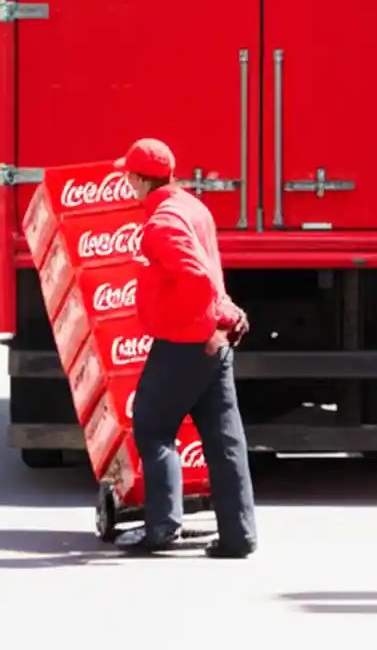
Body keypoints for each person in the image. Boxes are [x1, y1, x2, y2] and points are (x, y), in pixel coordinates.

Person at [111, 138, 258, 559]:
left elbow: (195, 276)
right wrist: (224, 318)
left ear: (139, 180)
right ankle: (238, 535)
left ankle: (162, 527)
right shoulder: (193, 207)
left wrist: (207, 326)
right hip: (214, 341)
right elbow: (210, 271)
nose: (128, 184)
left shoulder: (162, 222)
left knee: (153, 427)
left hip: (186, 342)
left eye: (129, 177)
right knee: (225, 441)